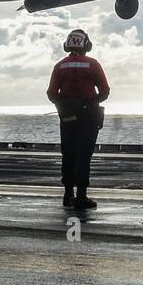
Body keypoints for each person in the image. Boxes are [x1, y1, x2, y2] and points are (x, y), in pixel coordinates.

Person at [46, 29, 110, 209]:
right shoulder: (93, 65)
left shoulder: (59, 66)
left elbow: (51, 93)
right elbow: (104, 91)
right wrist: (92, 102)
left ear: (67, 45)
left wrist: (63, 105)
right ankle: (82, 196)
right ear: (86, 45)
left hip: (66, 116)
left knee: (68, 153)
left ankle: (68, 195)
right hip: (88, 115)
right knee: (84, 154)